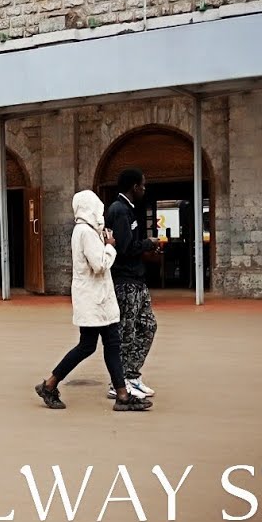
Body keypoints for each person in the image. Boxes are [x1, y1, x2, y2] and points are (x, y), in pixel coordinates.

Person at [35, 191, 152, 412]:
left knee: (111, 345)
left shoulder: (88, 231)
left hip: (98, 299)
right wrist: (110, 245)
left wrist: (104, 240)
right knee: (87, 346)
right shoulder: (85, 232)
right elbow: (99, 265)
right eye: (98, 208)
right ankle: (50, 384)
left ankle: (122, 395)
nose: (101, 212)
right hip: (93, 299)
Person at [105, 168, 160, 398]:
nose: (144, 189)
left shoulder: (129, 210)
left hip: (137, 280)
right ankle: (118, 383)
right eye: (143, 185)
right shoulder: (118, 211)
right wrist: (148, 243)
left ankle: (132, 375)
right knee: (125, 332)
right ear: (134, 186)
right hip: (125, 282)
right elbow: (124, 249)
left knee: (148, 325)